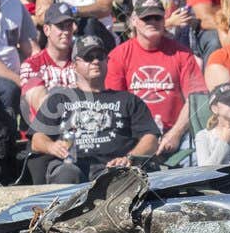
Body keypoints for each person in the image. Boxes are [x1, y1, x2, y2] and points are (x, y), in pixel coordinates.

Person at [30, 33, 161, 184]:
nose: (95, 61)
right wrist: (51, 146)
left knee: (121, 176)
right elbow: (37, 139)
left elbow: (151, 139)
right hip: (70, 166)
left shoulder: (128, 100)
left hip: (114, 169)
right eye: (88, 57)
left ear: (107, 61)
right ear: (74, 65)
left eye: (100, 56)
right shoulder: (59, 98)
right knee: (68, 172)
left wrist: (129, 158)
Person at [106, 0, 207, 156]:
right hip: (134, 136)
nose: (152, 22)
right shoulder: (119, 55)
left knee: (199, 152)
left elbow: (196, 100)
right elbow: (115, 103)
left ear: (164, 21)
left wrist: (175, 134)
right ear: (134, 21)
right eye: (146, 18)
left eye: (157, 18)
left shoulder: (182, 53)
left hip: (176, 135)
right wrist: (145, 139)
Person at [19, 2, 82, 117]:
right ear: (47, 29)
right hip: (47, 131)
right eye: (60, 26)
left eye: (69, 26)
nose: (66, 32)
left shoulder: (83, 60)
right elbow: (42, 107)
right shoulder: (31, 65)